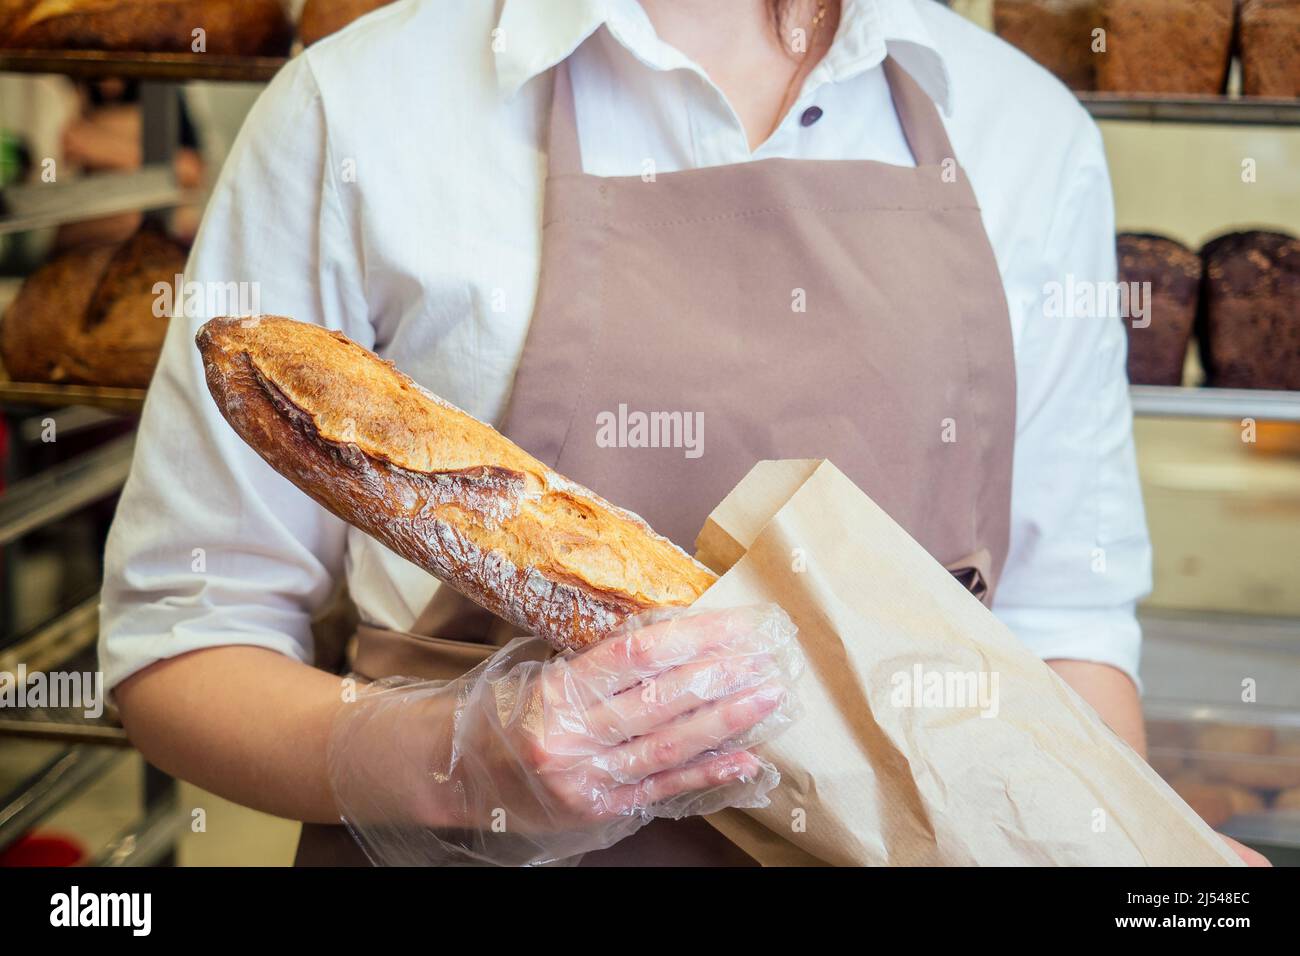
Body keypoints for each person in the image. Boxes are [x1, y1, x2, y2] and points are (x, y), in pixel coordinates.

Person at [100, 0, 1267, 865]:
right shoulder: (356, 107)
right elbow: (182, 640)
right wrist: (453, 764)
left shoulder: (1020, 126)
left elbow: (1063, 637)